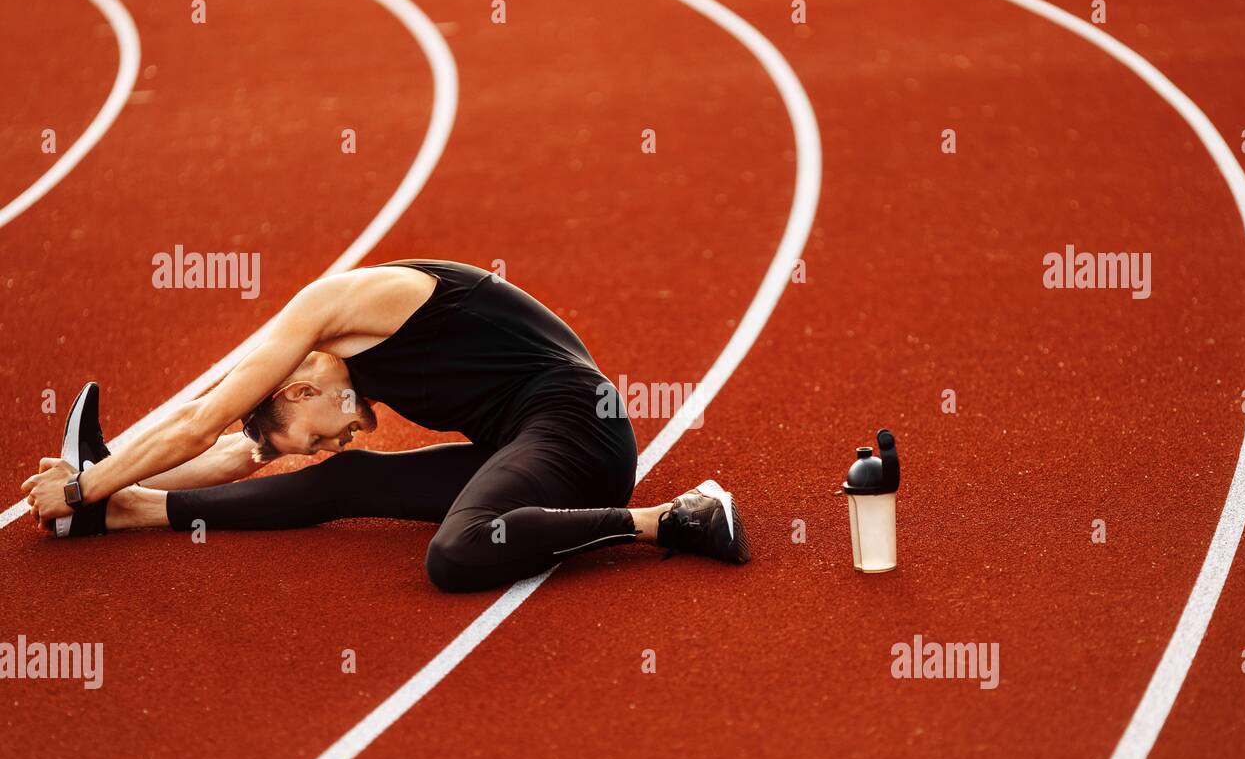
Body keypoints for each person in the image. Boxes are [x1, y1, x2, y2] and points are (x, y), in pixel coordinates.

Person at [22, 260, 749, 592]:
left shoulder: (339, 307)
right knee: (344, 482)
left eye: (314, 433)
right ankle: (129, 517)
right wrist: (115, 491)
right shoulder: (326, 379)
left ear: (299, 387)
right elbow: (234, 453)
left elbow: (200, 418)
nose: (339, 436)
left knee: (456, 555)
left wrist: (84, 484)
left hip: (576, 428)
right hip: (522, 446)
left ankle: (674, 519)